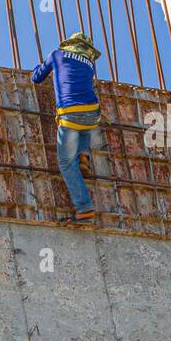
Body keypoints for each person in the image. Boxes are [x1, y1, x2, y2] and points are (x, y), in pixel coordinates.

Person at [31, 32, 104, 225]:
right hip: (93, 112)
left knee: (65, 163)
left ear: (69, 44)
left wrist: (37, 68)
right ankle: (83, 155)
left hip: (70, 113)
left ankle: (84, 209)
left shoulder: (57, 55)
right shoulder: (90, 65)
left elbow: (37, 78)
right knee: (86, 123)